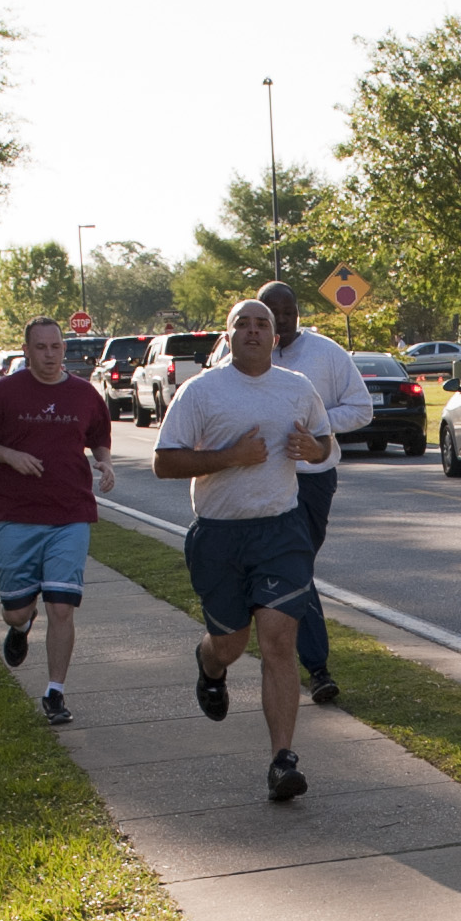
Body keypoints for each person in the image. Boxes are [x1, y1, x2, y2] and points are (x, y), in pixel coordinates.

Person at [151, 297, 332, 802]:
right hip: (219, 534)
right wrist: (230, 457)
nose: (254, 332)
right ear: (227, 337)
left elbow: (325, 443)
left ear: (276, 337)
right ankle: (209, 666)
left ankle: (283, 760)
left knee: (277, 640)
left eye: (263, 325)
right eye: (243, 325)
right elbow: (164, 463)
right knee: (230, 644)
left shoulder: (297, 389)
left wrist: (312, 450)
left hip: (280, 531)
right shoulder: (200, 392)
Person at [0, 317, 116, 725]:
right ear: (26, 350)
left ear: (65, 349)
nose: (49, 355)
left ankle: (55, 692)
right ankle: (21, 626)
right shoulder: (2, 393)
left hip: (70, 514)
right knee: (15, 611)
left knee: (63, 606)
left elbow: (98, 434)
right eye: (40, 347)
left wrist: (105, 462)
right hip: (17, 514)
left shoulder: (84, 394)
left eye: (55, 347)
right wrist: (9, 455)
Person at [255, 279, 372, 704]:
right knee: (293, 565)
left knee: (296, 564)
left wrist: (317, 428)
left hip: (313, 478)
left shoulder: (325, 354)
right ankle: (317, 667)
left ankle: (305, 657)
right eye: (272, 314)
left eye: (288, 313)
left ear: (298, 314)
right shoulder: (238, 352)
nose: (281, 322)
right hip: (258, 477)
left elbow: (361, 408)